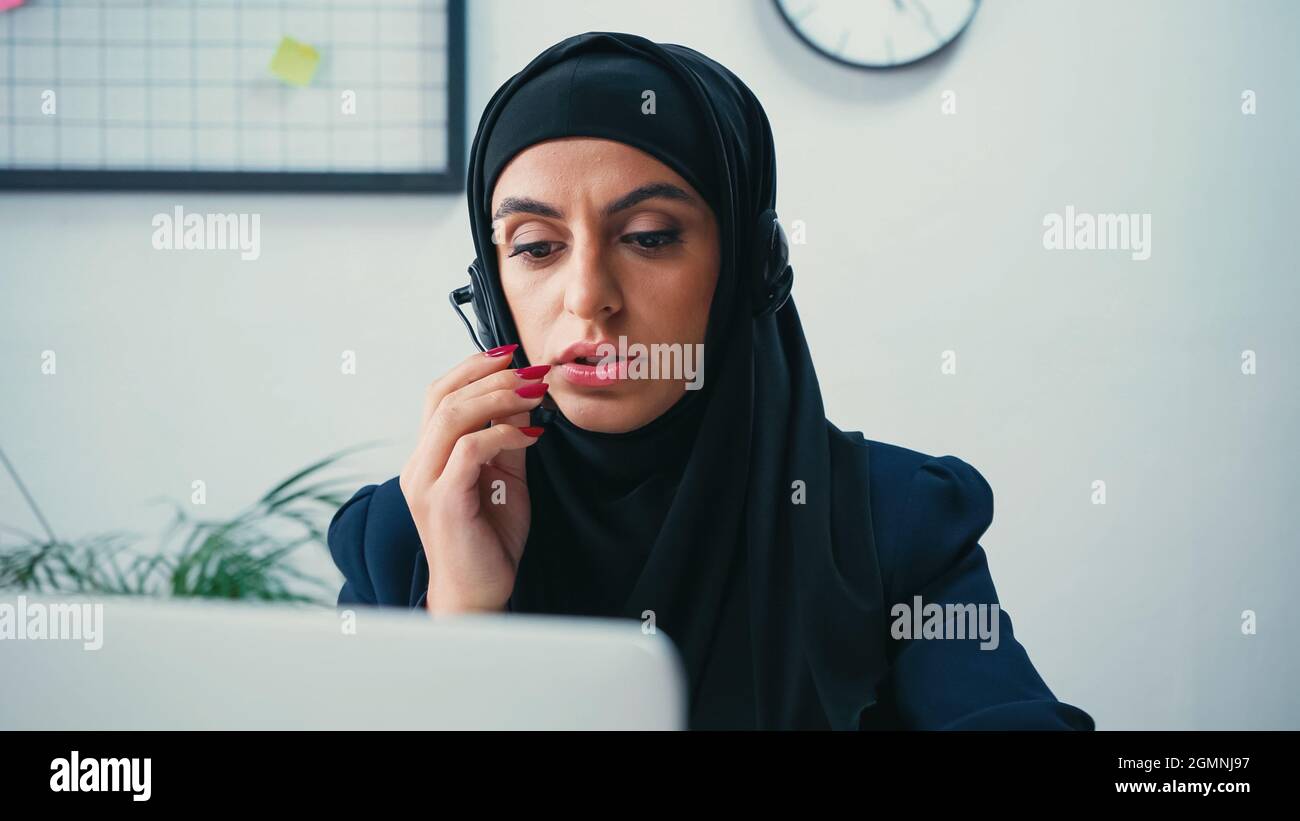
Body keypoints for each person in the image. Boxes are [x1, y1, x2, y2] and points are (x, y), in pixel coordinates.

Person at [327, 31, 1094, 731]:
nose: (587, 294)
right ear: (490, 288)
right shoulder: (408, 537)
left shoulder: (894, 522)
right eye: (534, 246)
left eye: (650, 236)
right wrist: (460, 623)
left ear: (746, 269)